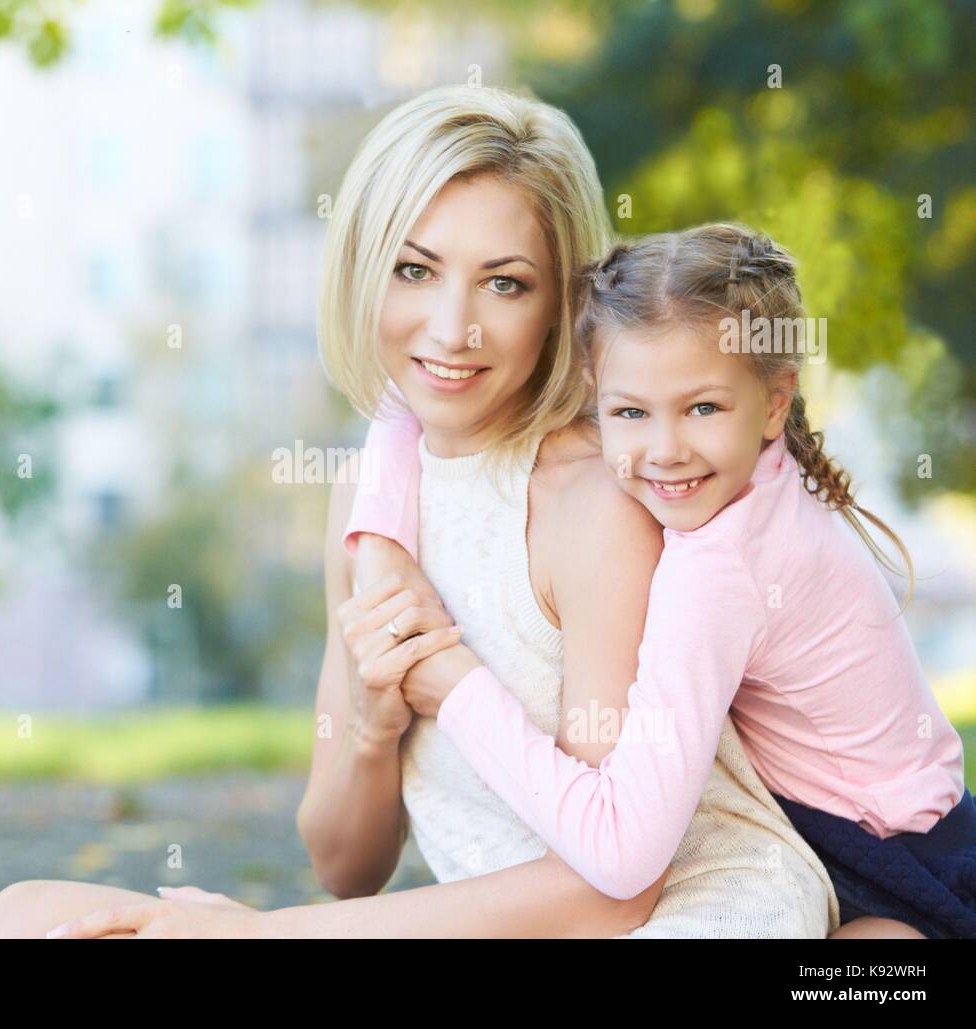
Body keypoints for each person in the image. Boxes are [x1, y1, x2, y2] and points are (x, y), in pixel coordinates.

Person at [0, 86, 840, 938]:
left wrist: (269, 933)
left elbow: (608, 893)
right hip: (489, 923)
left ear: (563, 306)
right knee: (18, 918)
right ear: (363, 268)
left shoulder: (594, 505)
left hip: (693, 910)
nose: (451, 328)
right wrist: (375, 728)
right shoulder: (374, 499)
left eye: (505, 284)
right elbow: (346, 865)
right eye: (415, 270)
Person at [345, 224, 973, 938]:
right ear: (596, 396)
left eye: (703, 408)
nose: (666, 451)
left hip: (900, 874)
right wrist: (380, 545)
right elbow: (405, 406)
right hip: (876, 835)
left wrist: (456, 689)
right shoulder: (746, 471)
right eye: (631, 413)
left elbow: (621, 857)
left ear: (774, 402)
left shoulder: (718, 570)